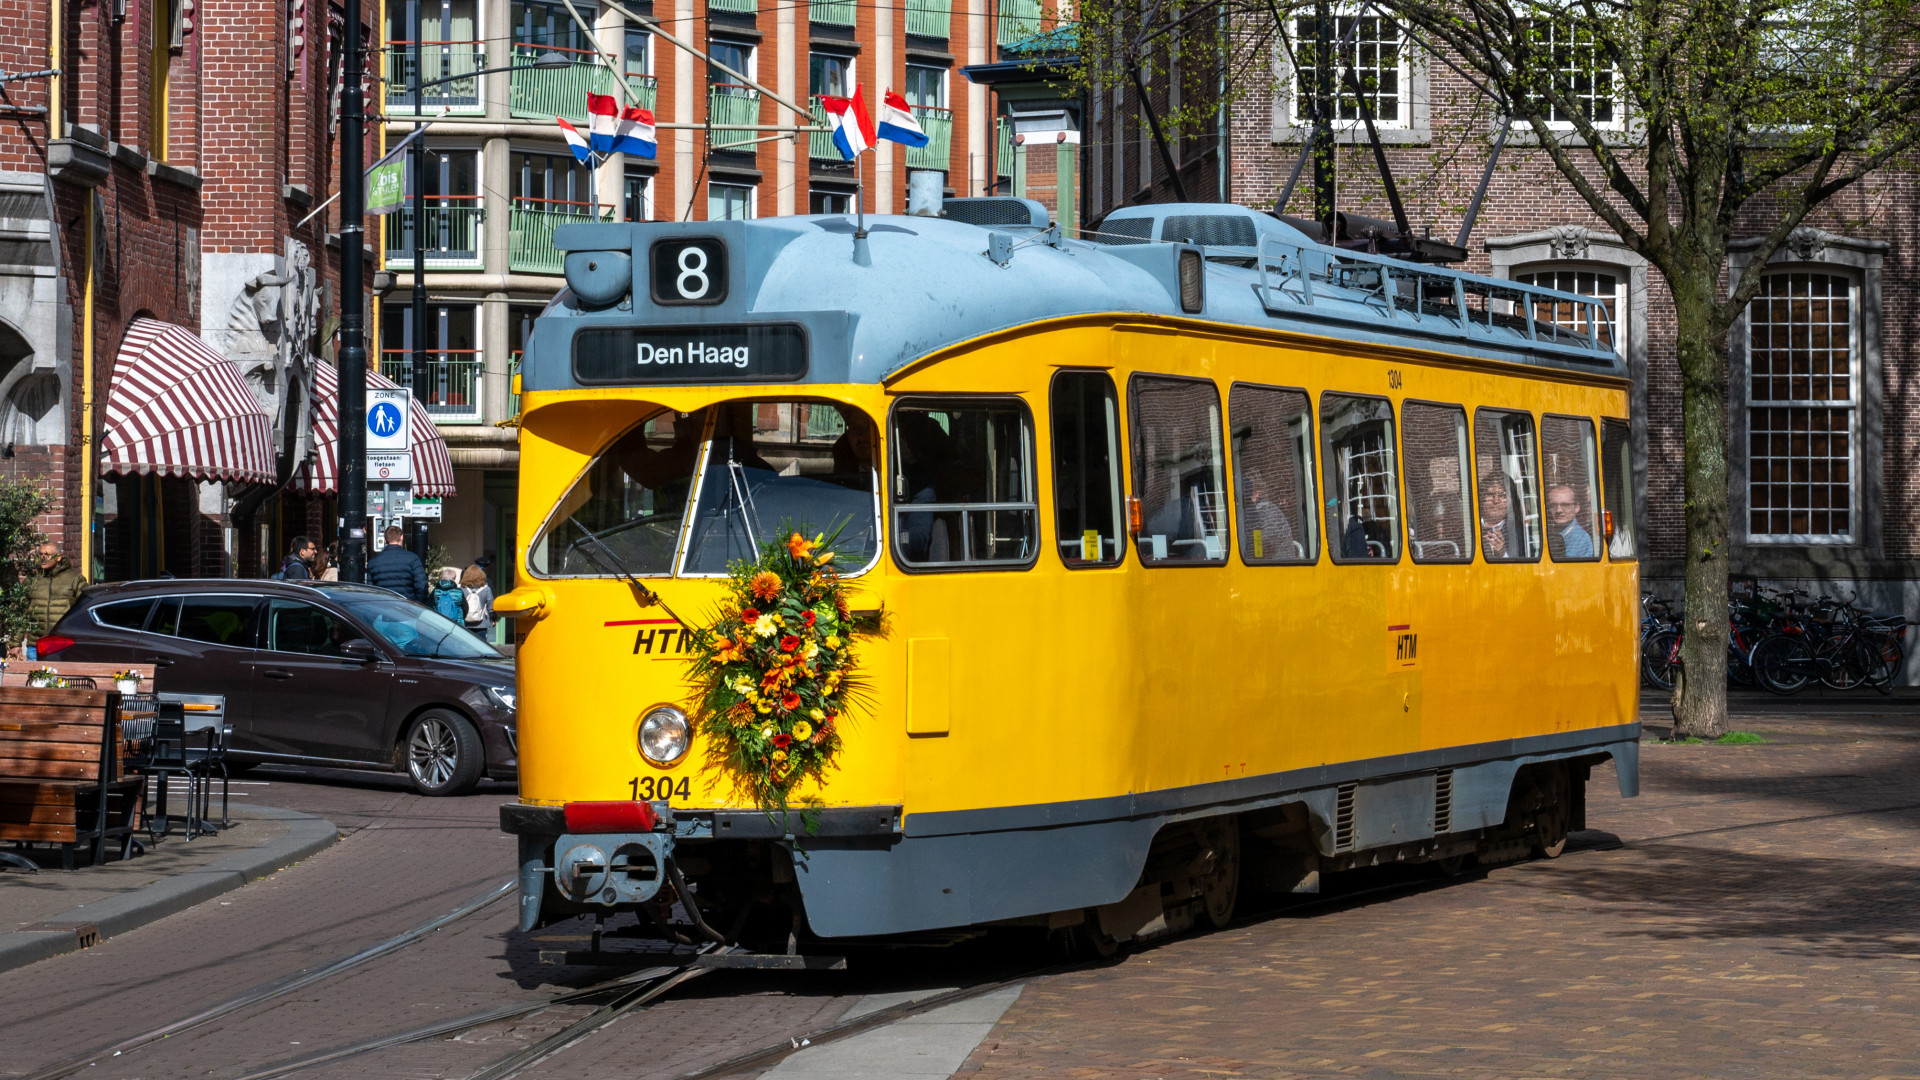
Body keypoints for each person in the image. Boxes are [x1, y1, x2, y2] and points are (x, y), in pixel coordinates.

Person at [24, 541, 85, 655]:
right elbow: (22, 611)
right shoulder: (32, 580)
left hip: (62, 644)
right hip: (35, 644)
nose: (43, 558)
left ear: (58, 557)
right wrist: (15, 643)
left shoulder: (75, 579)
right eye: (41, 555)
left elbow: (83, 610)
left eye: (47, 555)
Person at [367, 525, 427, 602]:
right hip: (407, 605)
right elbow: (422, 585)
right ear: (401, 537)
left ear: (385, 540)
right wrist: (418, 604)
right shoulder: (412, 558)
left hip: (382, 605)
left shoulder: (373, 561)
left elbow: (371, 590)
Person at [1546, 484, 1595, 558]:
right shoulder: (1549, 534)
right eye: (1554, 505)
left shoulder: (1581, 540)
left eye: (1565, 505)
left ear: (1576, 507)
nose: (1558, 510)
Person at [459, 564, 494, 639]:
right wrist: (493, 619)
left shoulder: (461, 589)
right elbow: (491, 607)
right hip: (482, 624)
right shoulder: (486, 589)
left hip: (465, 623)